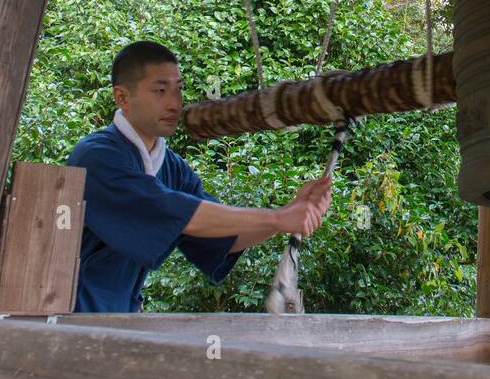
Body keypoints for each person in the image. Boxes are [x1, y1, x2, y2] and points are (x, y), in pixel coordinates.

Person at [67, 40, 332, 312]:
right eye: (160, 91)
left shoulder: (172, 167)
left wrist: (285, 215)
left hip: (118, 318)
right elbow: (173, 212)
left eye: (178, 90)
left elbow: (221, 237)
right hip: (70, 314)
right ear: (122, 97)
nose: (174, 103)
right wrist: (277, 218)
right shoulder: (97, 157)